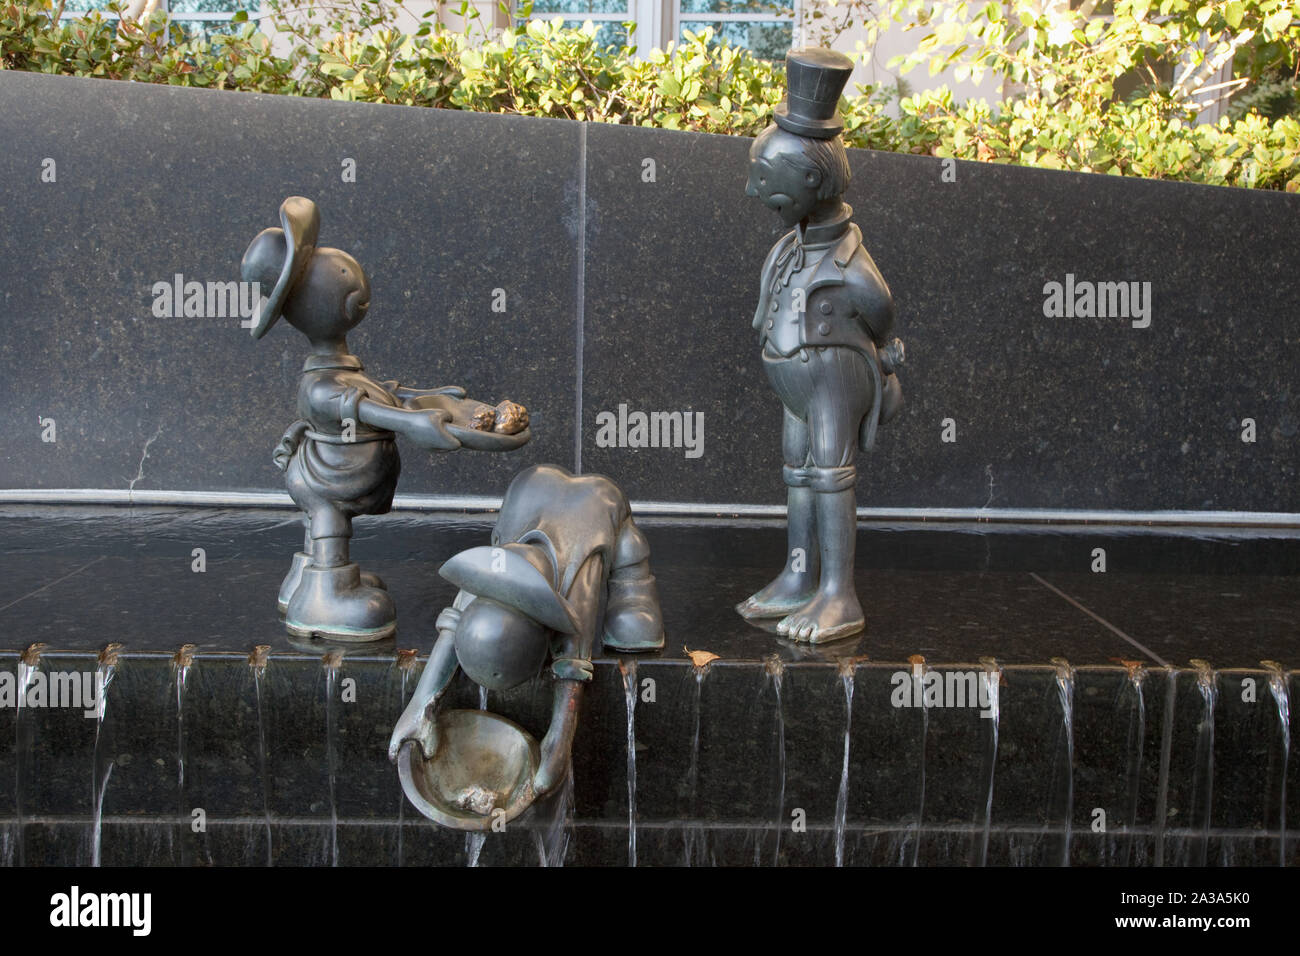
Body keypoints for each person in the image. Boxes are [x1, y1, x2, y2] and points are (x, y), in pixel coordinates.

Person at [241, 196, 527, 641]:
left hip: (341, 471)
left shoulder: (340, 368)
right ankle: (324, 593)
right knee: (328, 519)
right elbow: (363, 407)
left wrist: (430, 398)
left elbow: (379, 394)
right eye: (340, 285)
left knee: (326, 521)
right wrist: (411, 423)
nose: (358, 293)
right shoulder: (320, 386)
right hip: (328, 479)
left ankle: (303, 580)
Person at [735, 49, 904, 643]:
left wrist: (884, 358)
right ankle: (800, 576)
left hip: (833, 377)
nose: (754, 192)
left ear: (810, 181)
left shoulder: (852, 265)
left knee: (831, 474)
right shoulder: (790, 247)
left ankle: (840, 595)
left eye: (765, 180)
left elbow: (881, 313)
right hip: (795, 385)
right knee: (798, 474)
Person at [389, 463, 664, 798]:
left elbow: (573, 662)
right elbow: (455, 621)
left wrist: (559, 741)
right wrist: (419, 707)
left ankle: (634, 588)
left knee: (633, 626)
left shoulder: (578, 585)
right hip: (528, 491)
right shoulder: (492, 571)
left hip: (595, 505)